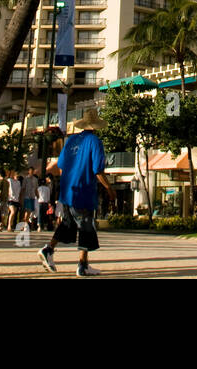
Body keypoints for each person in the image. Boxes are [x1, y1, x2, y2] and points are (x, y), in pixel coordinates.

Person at [38, 108, 113, 277]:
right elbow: (98, 169)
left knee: (68, 224)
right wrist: (109, 189)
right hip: (84, 191)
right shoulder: (95, 141)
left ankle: (49, 249)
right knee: (86, 226)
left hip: (68, 191)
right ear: (95, 125)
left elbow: (61, 165)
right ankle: (82, 265)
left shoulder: (71, 141)